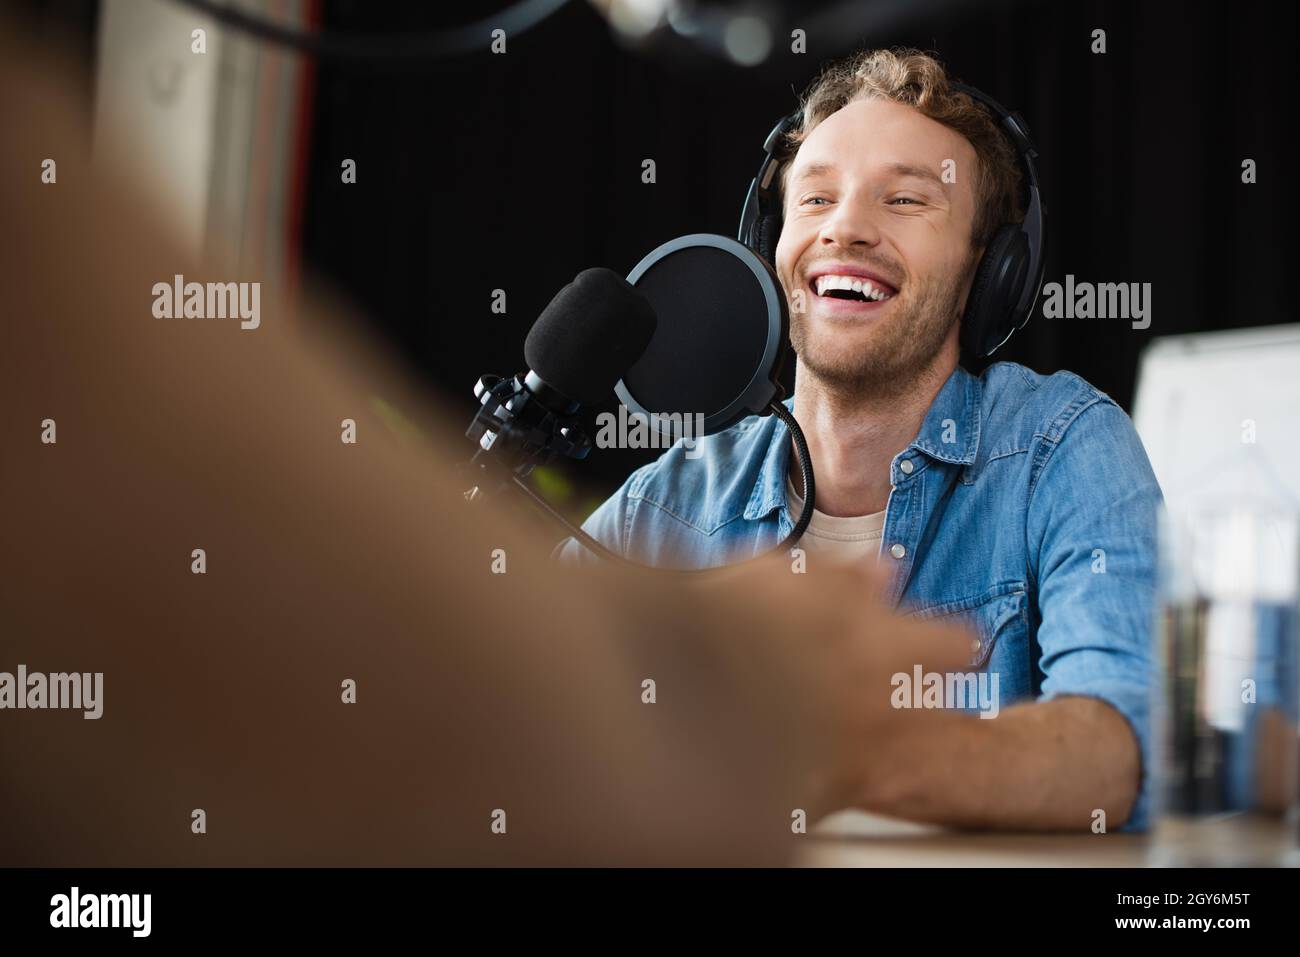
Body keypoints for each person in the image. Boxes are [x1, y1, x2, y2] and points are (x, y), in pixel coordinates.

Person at [561, 48, 1162, 833]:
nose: (845, 228)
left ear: (988, 275)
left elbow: (1125, 751)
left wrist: (827, 753)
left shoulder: (1063, 448)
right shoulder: (666, 504)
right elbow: (511, 712)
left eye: (906, 200)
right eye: (815, 199)